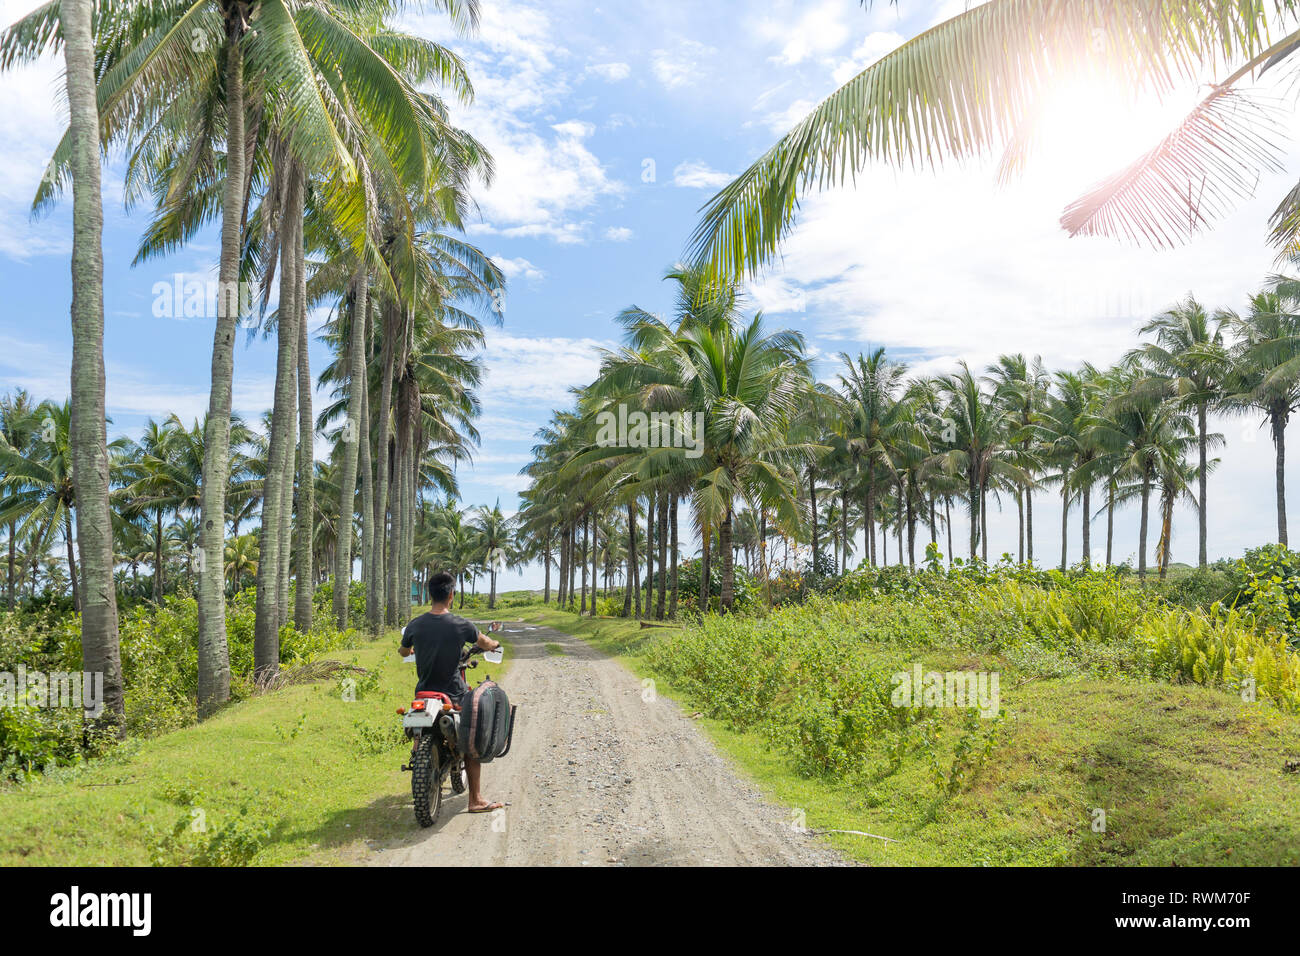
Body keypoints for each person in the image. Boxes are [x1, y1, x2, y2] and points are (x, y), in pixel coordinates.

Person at [399, 571, 503, 814]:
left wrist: (413, 649)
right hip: (453, 695)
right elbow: (485, 643)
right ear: (451, 596)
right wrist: (495, 645)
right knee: (472, 736)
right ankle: (475, 799)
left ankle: (419, 750)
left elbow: (403, 652)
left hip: (423, 693)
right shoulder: (461, 624)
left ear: (429, 594)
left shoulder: (415, 625)